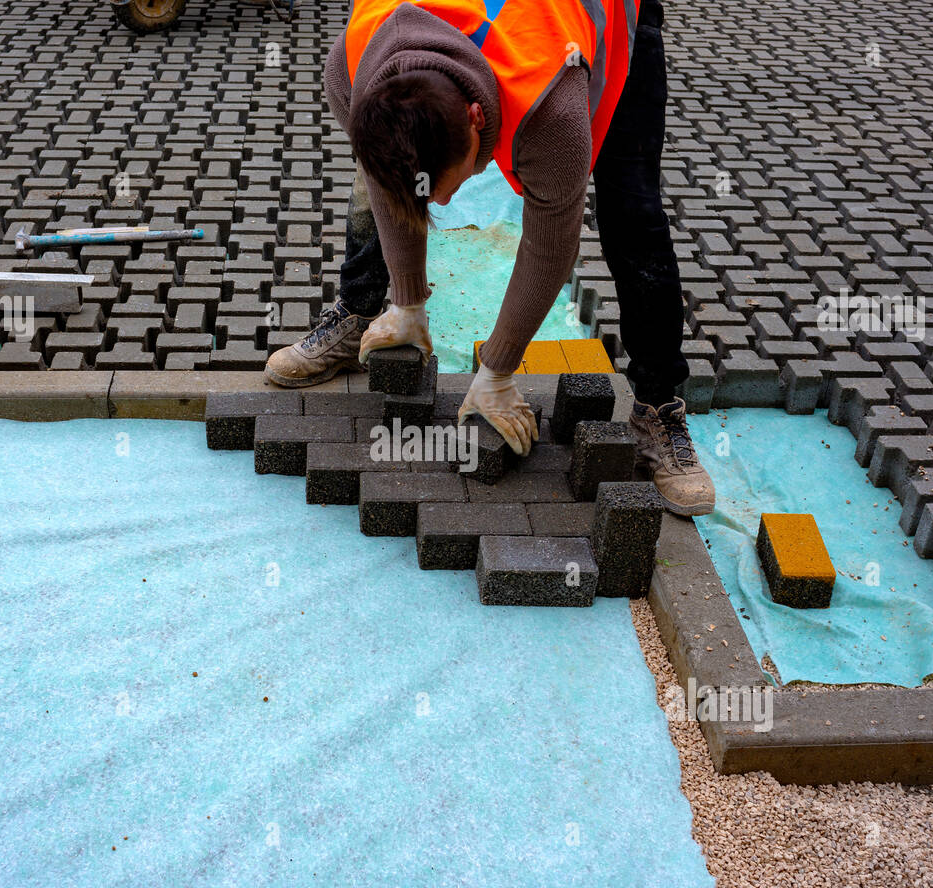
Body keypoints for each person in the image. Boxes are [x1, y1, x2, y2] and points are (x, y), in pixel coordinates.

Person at [264, 0, 714, 516]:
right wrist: (408, 302)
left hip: (603, 20)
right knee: (382, 181)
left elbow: (549, 245)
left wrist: (496, 369)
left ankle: (659, 404)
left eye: (447, 186)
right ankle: (364, 310)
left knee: (633, 210)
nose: (445, 205)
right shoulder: (351, 69)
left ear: (477, 117)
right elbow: (385, 186)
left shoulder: (554, 108)